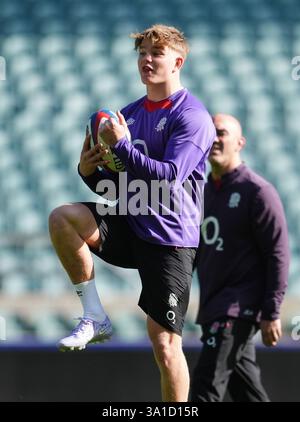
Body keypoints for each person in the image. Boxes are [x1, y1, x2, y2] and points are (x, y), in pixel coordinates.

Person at [48, 24, 215, 402]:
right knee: (63, 218)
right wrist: (89, 171)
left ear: (178, 62)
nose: (147, 60)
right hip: (132, 221)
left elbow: (170, 177)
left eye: (156, 53)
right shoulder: (129, 114)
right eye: (142, 53)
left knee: (165, 345)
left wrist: (121, 148)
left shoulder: (192, 116)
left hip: (170, 238)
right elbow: (119, 186)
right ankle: (94, 315)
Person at [191, 113, 290, 402]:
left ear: (240, 142)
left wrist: (271, 311)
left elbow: (278, 254)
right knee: (247, 394)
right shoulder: (202, 192)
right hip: (213, 309)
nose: (214, 140)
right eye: (210, 134)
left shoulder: (257, 192)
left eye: (221, 133)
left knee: (204, 391)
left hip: (236, 310)